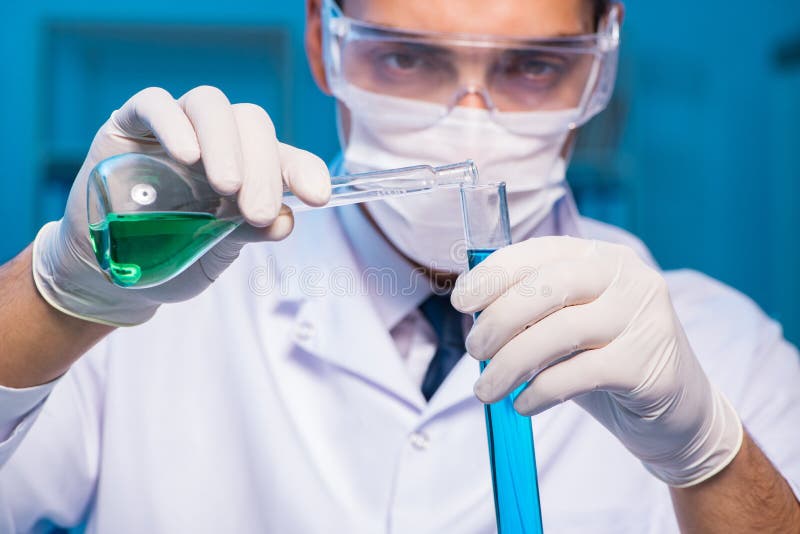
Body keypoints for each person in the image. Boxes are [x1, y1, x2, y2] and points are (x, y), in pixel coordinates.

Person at [0, 0, 798, 531]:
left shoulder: (730, 354)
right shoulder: (154, 300)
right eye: (408, 61)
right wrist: (58, 298)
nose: (470, 127)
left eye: (534, 69)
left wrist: (710, 458)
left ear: (601, 63)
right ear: (324, 40)